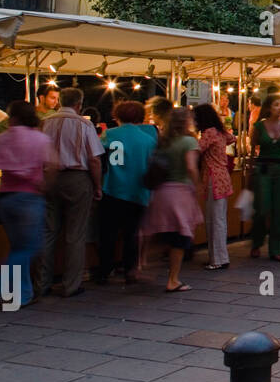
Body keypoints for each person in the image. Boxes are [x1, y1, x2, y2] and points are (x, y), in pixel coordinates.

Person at [0, 101, 54, 307]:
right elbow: (54, 164)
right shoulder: (40, 139)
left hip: (5, 198)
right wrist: (46, 184)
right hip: (29, 198)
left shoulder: (0, 139)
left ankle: (24, 293)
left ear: (13, 117)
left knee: (19, 247)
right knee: (28, 247)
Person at [37, 88, 103, 299]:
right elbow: (94, 159)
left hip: (49, 178)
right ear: (79, 104)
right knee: (75, 234)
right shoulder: (84, 124)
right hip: (77, 179)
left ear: (59, 102)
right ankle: (70, 285)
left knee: (48, 232)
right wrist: (98, 186)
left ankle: (42, 283)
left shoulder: (45, 123)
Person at [94, 100, 156, 284]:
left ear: (118, 116)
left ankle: (105, 270)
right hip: (138, 192)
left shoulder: (110, 134)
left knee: (108, 234)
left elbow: (99, 156)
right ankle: (130, 269)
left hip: (112, 188)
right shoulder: (148, 140)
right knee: (132, 233)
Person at [139, 107, 201, 292]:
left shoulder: (164, 141)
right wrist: (198, 185)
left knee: (161, 231)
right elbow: (191, 167)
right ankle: (173, 279)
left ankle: (141, 264)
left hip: (161, 192)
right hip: (180, 193)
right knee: (179, 238)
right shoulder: (189, 141)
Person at [248, 94, 280, 261]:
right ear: (268, 107)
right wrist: (251, 171)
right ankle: (257, 241)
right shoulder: (259, 126)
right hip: (263, 168)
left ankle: (277, 248)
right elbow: (252, 149)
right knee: (262, 207)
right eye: (276, 105)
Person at [194, 103, 234, 271]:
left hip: (213, 178)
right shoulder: (220, 131)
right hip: (223, 177)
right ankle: (220, 257)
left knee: (214, 220)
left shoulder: (209, 132)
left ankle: (217, 259)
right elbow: (232, 138)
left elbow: (197, 149)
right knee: (220, 219)